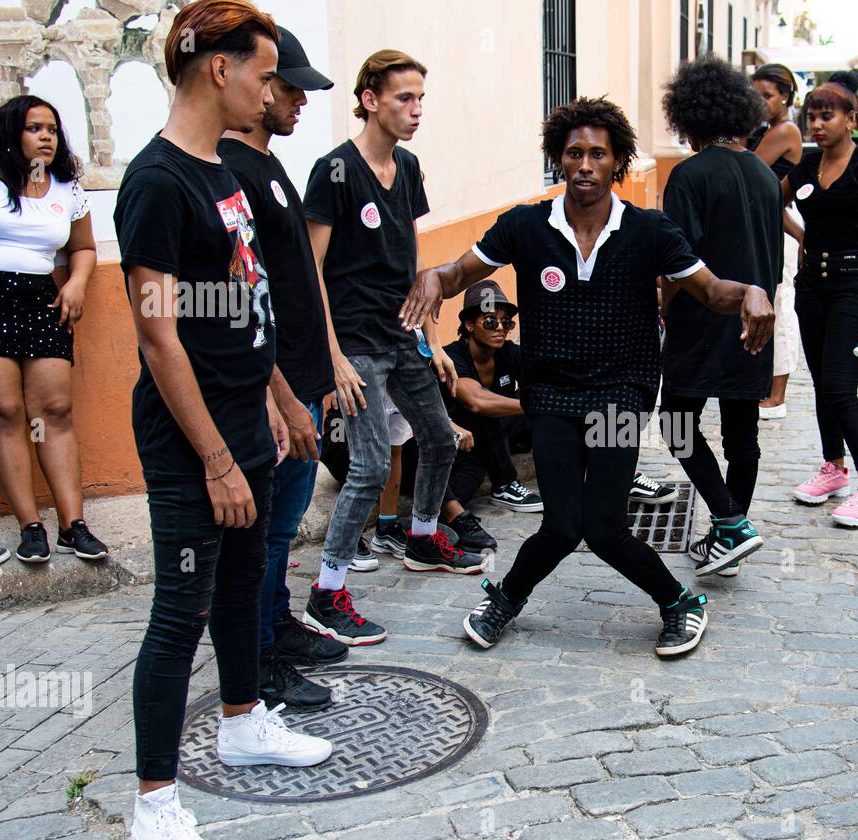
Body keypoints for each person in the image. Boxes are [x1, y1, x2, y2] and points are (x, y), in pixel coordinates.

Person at [403, 96, 774, 658]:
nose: (584, 165)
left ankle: (680, 604)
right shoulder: (526, 226)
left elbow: (711, 289)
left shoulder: (651, 230)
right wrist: (435, 277)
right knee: (559, 526)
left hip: (619, 396)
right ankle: (504, 598)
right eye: (574, 153)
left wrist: (751, 292)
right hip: (550, 394)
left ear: (617, 162)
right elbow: (460, 272)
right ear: (559, 159)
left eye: (597, 154)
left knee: (602, 527)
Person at [113, 0, 332, 840]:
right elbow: (158, 334)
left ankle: (244, 723)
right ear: (220, 69)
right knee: (181, 611)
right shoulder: (157, 182)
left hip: (247, 415)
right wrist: (213, 459)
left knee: (243, 589)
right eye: (263, 69)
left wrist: (277, 396)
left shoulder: (222, 171)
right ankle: (153, 805)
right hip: (187, 438)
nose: (270, 86)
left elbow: (249, 303)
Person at [303, 49, 485, 647]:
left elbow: (412, 260)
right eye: (404, 98)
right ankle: (327, 592)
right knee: (372, 463)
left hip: (402, 333)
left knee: (438, 437)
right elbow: (312, 272)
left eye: (421, 99)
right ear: (369, 99)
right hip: (354, 343)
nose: (416, 110)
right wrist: (330, 356)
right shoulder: (333, 171)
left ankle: (423, 537)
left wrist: (430, 338)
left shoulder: (406, 167)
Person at [217, 26, 351, 712]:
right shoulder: (229, 169)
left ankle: (276, 624)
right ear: (257, 84)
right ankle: (258, 657)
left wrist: (324, 366)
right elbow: (241, 294)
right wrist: (274, 395)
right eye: (290, 86)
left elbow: (299, 280)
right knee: (266, 529)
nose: (301, 100)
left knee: (288, 517)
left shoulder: (268, 164)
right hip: (273, 386)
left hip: (304, 375)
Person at [661, 57, 781, 578]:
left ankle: (730, 524)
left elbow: (676, 263)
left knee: (676, 422)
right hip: (757, 318)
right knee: (742, 434)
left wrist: (661, 314)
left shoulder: (688, 175)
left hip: (703, 319)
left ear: (688, 117)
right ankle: (730, 531)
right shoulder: (765, 174)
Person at [0, 95, 107, 563]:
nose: (45, 137)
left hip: (43, 300)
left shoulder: (66, 188)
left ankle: (72, 524)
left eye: (52, 130)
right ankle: (29, 525)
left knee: (54, 411)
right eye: (34, 128)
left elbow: (83, 248)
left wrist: (77, 283)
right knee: (4, 411)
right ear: (11, 133)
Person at [786, 82, 858, 529]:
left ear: (851, 119)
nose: (816, 124)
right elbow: (770, 201)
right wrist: (801, 237)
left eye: (827, 116)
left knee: (839, 386)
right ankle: (834, 469)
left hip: (856, 288)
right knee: (820, 384)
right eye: (812, 116)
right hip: (813, 286)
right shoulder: (807, 166)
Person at [442, 279, 536, 551]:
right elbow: (476, 401)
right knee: (488, 413)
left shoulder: (508, 352)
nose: (501, 329)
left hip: (489, 437)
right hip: (454, 436)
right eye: (490, 321)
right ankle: (505, 485)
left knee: (553, 409)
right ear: (469, 325)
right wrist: (534, 405)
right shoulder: (453, 357)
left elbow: (541, 383)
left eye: (506, 323)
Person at [750, 63, 804, 420]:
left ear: (785, 96)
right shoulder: (769, 128)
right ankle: (769, 387)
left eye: (766, 95)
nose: (759, 101)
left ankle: (777, 393)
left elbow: (750, 169)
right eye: (754, 94)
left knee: (781, 305)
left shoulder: (783, 131)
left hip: (782, 224)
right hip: (772, 222)